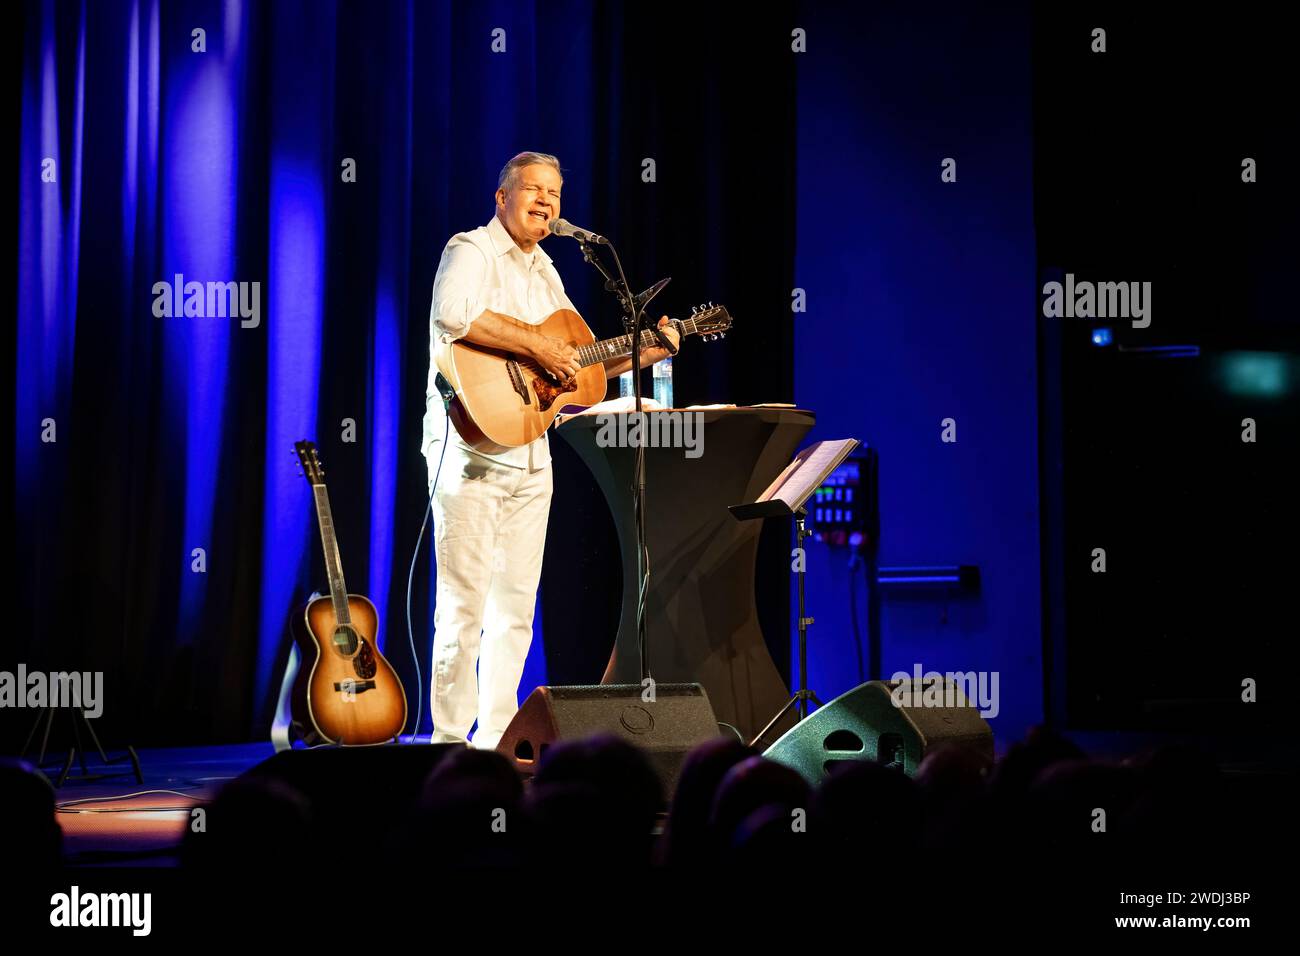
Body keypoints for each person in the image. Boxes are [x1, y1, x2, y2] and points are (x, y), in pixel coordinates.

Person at [422, 151, 680, 749]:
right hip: (471, 453)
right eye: (534, 189)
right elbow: (453, 314)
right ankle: (446, 745)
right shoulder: (470, 250)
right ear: (502, 197)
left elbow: (581, 367)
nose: (547, 202)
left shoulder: (546, 273)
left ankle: (495, 743)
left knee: (514, 610)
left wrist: (656, 346)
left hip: (533, 458)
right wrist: (538, 344)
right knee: (462, 611)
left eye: (556, 194)